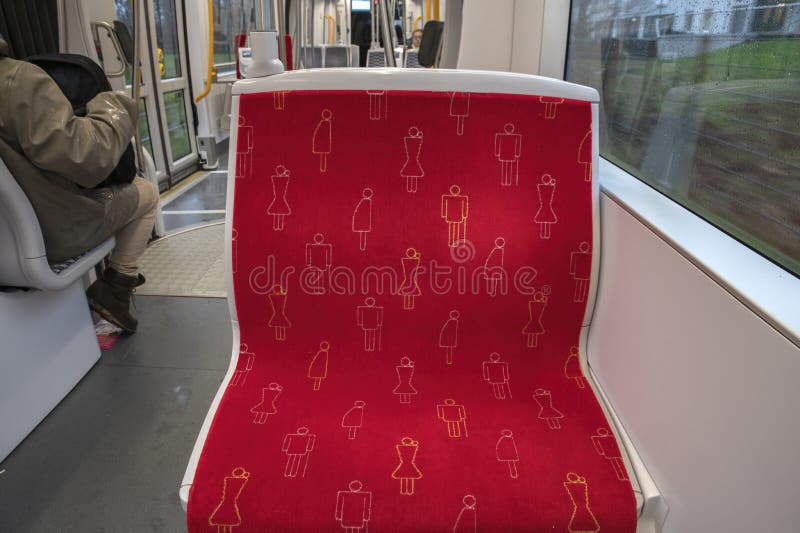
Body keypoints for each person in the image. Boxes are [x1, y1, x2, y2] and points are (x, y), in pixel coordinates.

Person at [0, 35, 158, 333]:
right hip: (49, 235)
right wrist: (114, 106)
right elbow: (87, 158)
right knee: (146, 193)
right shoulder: (16, 80)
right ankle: (116, 288)